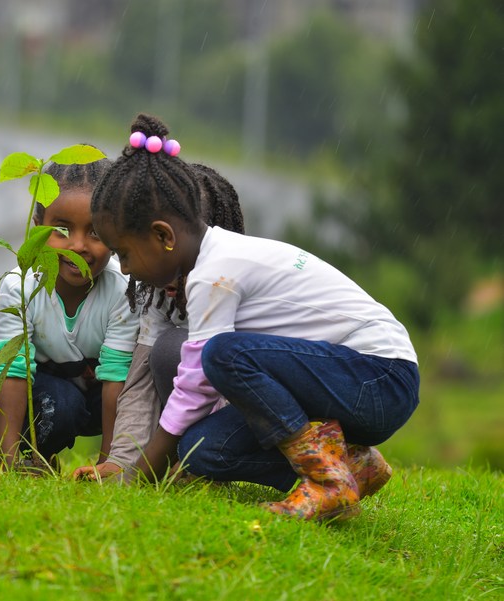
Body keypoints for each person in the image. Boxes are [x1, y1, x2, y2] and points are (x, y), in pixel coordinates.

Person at [89, 114, 420, 522]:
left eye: (124, 252)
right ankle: (354, 468)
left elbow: (198, 382)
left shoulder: (216, 272)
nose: (122, 268)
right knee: (203, 449)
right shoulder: (213, 261)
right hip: (347, 384)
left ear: (164, 236)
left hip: (379, 379)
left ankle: (325, 479)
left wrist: (141, 473)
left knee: (222, 354)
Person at [74, 163, 247, 481]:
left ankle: (204, 461)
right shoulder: (158, 291)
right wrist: (121, 462)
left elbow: (228, 381)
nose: (124, 270)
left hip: (264, 409)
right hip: (204, 413)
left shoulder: (228, 281)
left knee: (180, 351)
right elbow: (140, 383)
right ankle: (192, 458)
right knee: (165, 352)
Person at [0, 155, 139, 470]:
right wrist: (7, 461)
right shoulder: (19, 288)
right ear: (38, 228)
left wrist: (109, 464)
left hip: (104, 401)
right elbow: (11, 374)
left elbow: (116, 380)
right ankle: (33, 460)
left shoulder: (122, 291)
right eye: (61, 229)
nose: (78, 245)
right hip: (49, 399)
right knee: (62, 406)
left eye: (96, 232)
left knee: (141, 389)